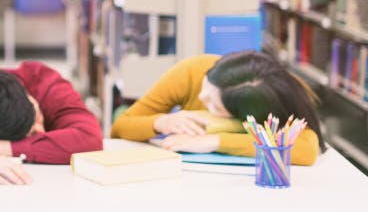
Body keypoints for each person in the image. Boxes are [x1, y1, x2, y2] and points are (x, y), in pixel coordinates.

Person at [109, 50, 325, 165]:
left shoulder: (269, 95)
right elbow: (119, 128)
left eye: (214, 105)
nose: (202, 98)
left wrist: (215, 142)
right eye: (207, 85)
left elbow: (307, 149)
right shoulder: (192, 71)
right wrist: (160, 122)